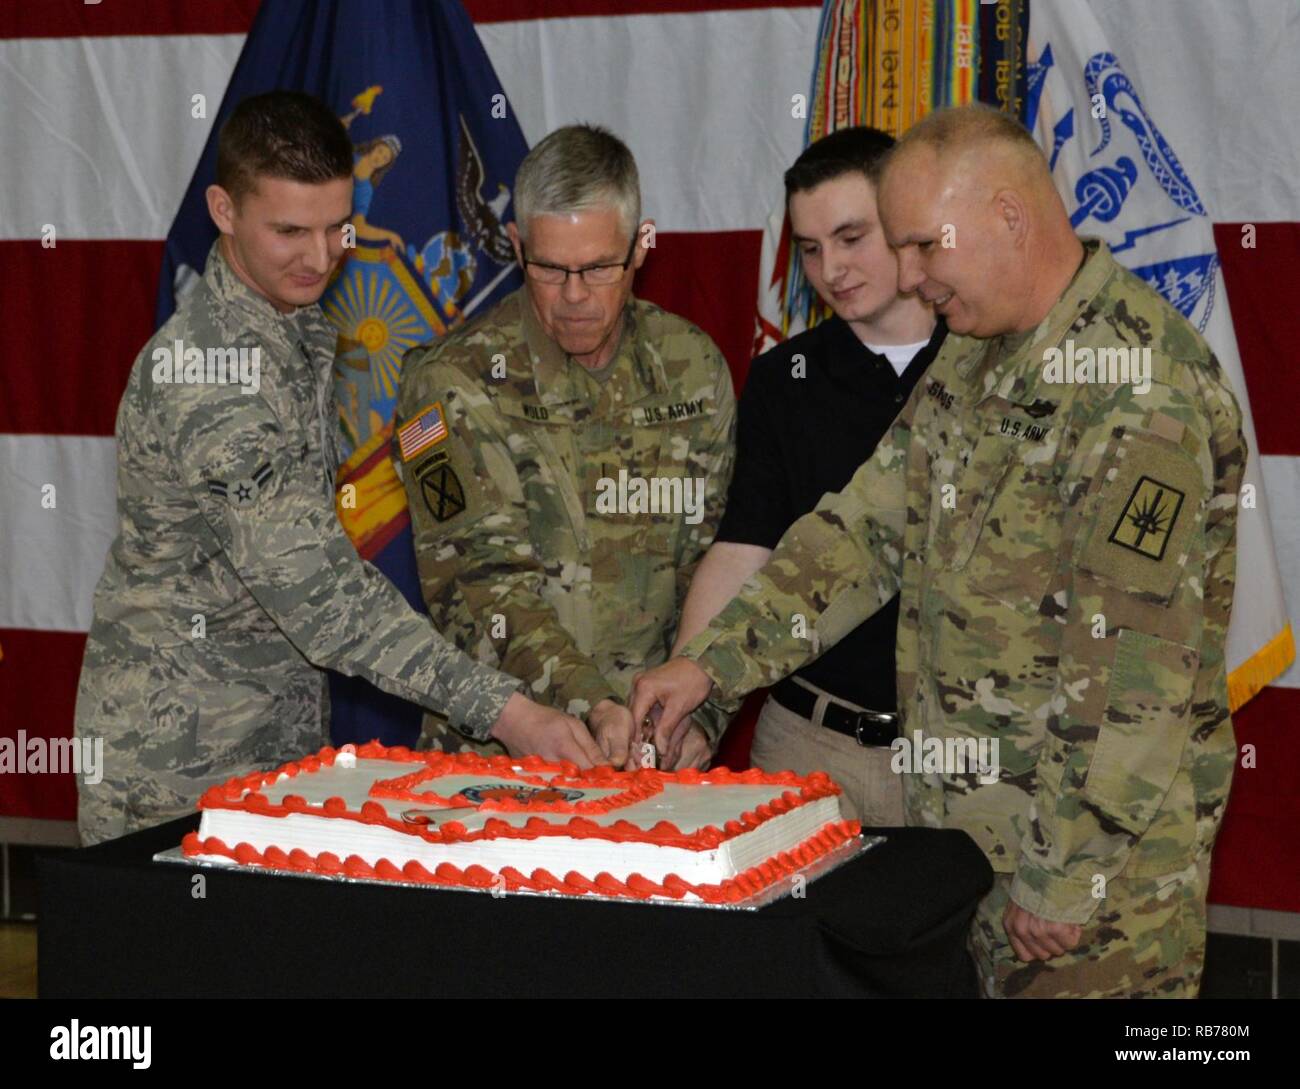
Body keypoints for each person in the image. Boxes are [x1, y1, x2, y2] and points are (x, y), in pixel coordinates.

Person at [630, 105, 1244, 998]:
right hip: (969, 841)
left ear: (1008, 217)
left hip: (1090, 881)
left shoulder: (1141, 391)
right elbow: (862, 533)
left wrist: (1066, 874)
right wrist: (710, 667)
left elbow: (1132, 673)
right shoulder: (974, 354)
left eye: (925, 247)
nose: (910, 278)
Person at [74, 91, 598, 847]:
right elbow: (322, 597)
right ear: (223, 210)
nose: (319, 257)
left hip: (265, 752)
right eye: (289, 230)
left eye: (336, 227)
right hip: (176, 767)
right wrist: (506, 710)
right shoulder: (212, 377)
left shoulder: (286, 329)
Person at [395, 123, 736, 772]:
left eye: (599, 267)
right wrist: (593, 704)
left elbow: (715, 560)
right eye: (550, 268)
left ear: (641, 246)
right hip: (500, 762)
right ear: (517, 246)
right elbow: (478, 586)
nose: (575, 295)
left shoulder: (691, 367)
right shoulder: (448, 382)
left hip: (652, 762)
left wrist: (702, 711)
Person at [670, 126, 943, 816]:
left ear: (908, 223)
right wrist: (689, 685)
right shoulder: (783, 378)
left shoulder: (983, 360)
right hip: (811, 743)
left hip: (962, 755)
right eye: (812, 250)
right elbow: (743, 548)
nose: (832, 270)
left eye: (852, 238)